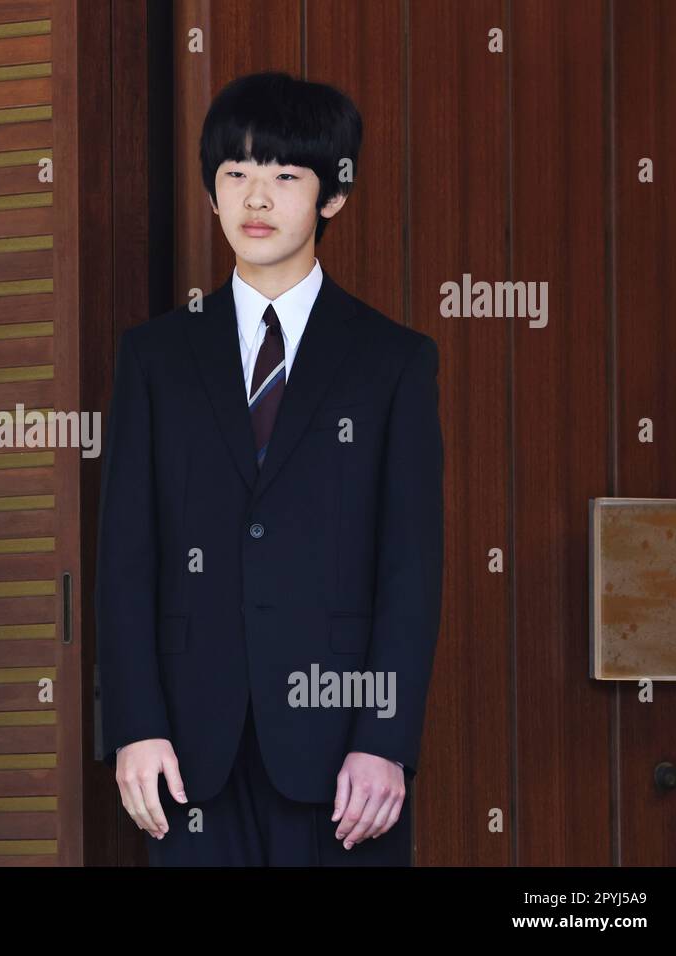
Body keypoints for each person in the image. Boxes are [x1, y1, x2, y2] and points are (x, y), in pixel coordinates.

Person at [96, 72, 444, 866]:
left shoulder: (393, 362)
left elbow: (410, 567)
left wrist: (386, 740)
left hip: (341, 760)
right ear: (213, 194)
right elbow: (126, 557)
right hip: (185, 752)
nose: (257, 198)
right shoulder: (155, 356)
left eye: (285, 175)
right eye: (236, 175)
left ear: (333, 197)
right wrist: (135, 724)